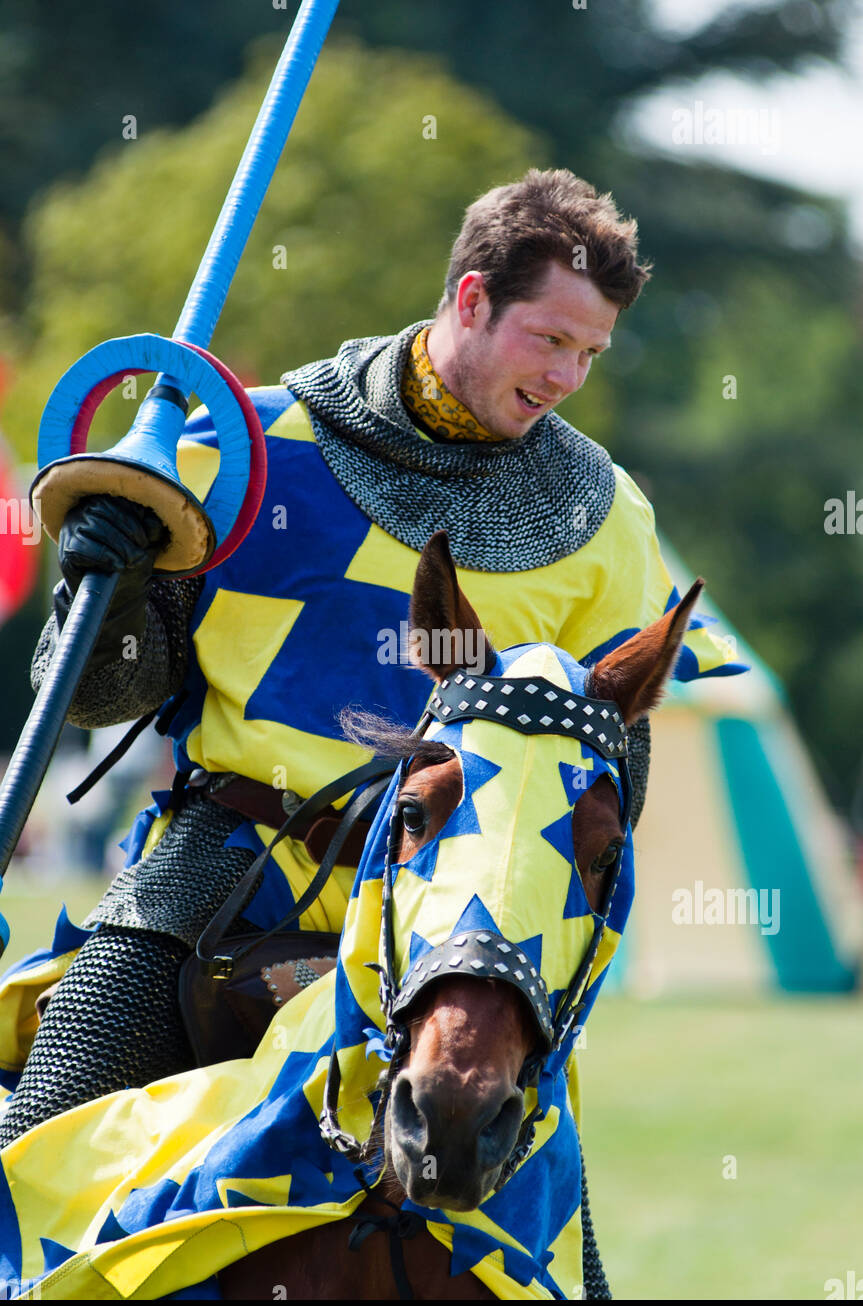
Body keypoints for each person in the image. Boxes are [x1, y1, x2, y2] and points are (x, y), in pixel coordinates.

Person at [0, 168, 742, 1147]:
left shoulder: (600, 518)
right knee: (35, 1163)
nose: (566, 375)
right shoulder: (249, 440)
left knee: (514, 1254)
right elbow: (99, 695)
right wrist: (108, 577)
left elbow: (614, 777)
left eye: (589, 353)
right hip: (218, 875)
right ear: (471, 300)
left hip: (451, 931)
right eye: (549, 339)